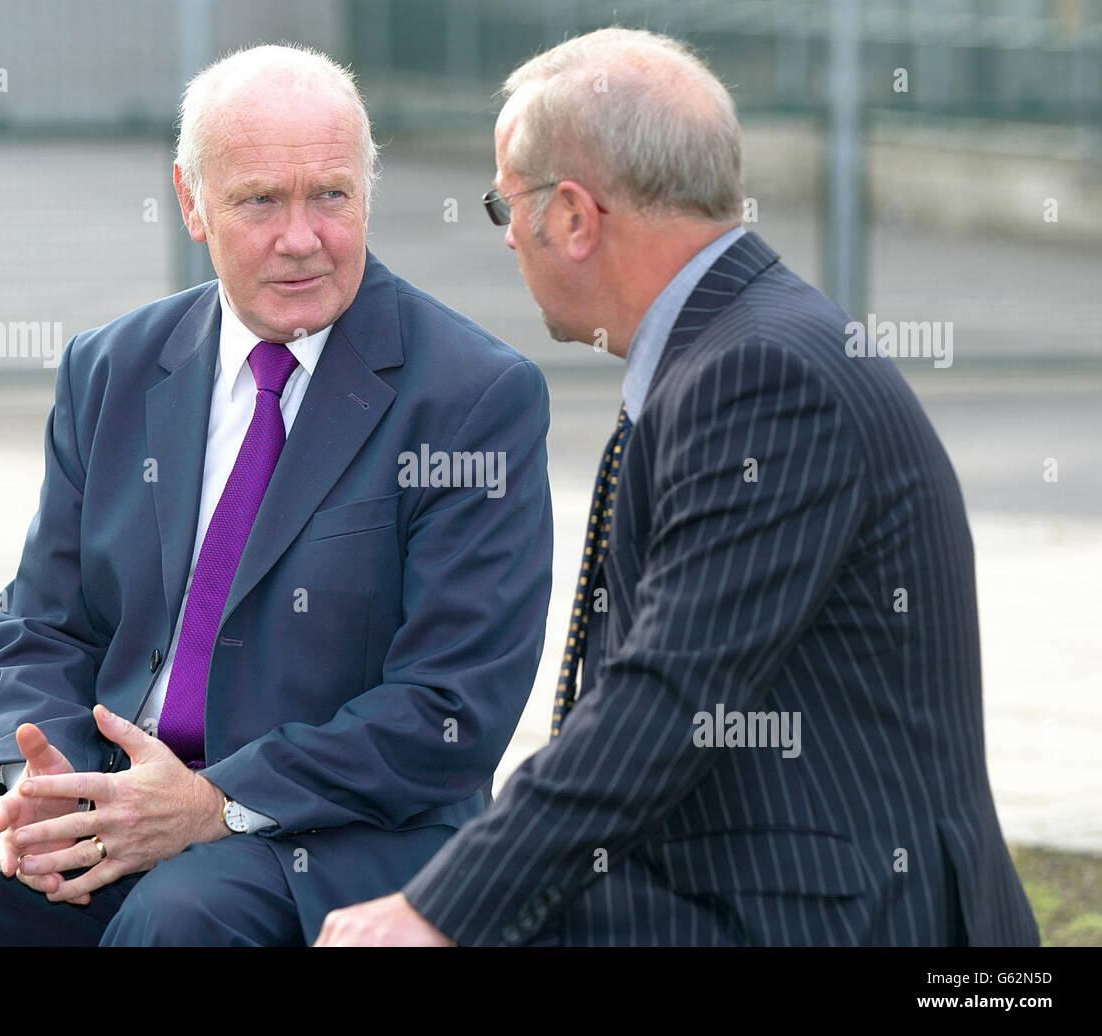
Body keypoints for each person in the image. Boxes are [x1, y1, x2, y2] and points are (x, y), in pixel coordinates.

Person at [0, 43, 553, 946]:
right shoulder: (113, 367)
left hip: (329, 836)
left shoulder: (473, 397)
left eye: (330, 194)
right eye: (259, 201)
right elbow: (42, 621)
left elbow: (450, 707)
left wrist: (210, 803)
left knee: (181, 917)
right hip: (110, 805)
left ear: (369, 192)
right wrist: (35, 788)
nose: (301, 236)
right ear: (190, 201)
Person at [316, 27, 1039, 947]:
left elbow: (670, 695)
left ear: (573, 217)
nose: (508, 241)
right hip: (764, 882)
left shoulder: (763, 378)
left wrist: (434, 912)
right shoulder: (737, 345)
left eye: (507, 208)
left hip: (842, 914)